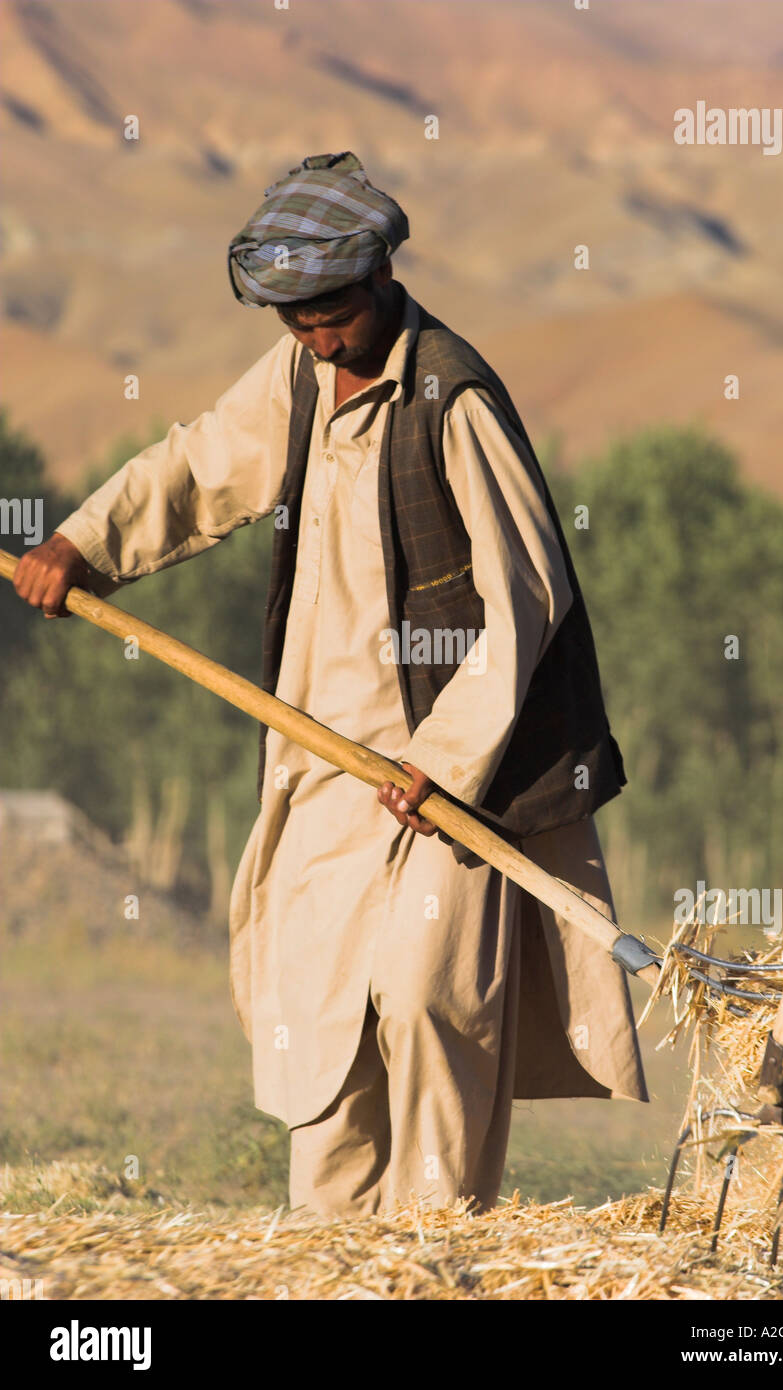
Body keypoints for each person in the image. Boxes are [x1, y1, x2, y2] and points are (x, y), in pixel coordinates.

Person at [13, 151, 648, 1217]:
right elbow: (199, 465)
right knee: (321, 1031)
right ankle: (328, 1262)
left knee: (421, 1002)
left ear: (381, 278)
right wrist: (82, 541)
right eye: (291, 315)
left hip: (446, 786)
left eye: (329, 310)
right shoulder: (300, 378)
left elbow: (524, 599)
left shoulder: (452, 397)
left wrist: (440, 760)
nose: (313, 332)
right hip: (320, 779)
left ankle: (435, 1257)